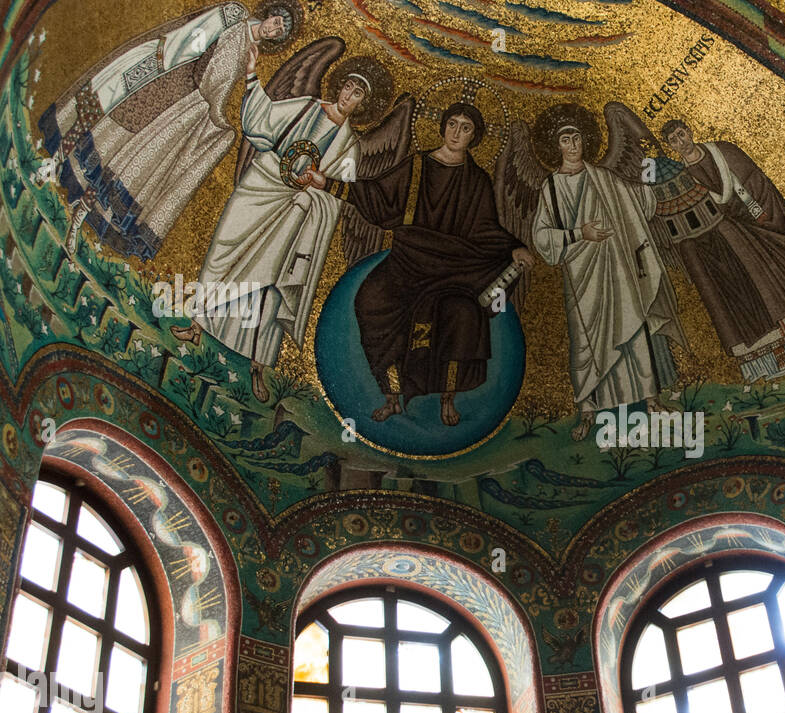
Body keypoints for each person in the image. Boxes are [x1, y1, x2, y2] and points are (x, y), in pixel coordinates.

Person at [307, 103, 534, 425]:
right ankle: (391, 396)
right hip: (407, 262)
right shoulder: (416, 166)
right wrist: (328, 184)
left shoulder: (477, 180)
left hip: (455, 270)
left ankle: (447, 399)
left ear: (475, 136)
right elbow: (377, 194)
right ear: (442, 127)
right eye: (452, 123)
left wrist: (514, 248)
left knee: (462, 314)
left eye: (465, 127)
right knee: (372, 300)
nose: (456, 132)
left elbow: (485, 230)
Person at [172, 52, 370, 402]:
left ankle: (257, 367)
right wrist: (251, 76)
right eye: (348, 86)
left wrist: (321, 185)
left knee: (269, 284)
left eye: (357, 94)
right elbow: (264, 121)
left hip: (296, 208)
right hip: (262, 183)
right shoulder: (307, 106)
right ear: (340, 85)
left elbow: (344, 195)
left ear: (363, 104)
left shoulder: (350, 146)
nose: (348, 95)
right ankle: (197, 326)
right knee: (222, 249)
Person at [39, 3, 291, 258]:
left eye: (279, 32)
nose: (274, 30)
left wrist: (234, 89)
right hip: (165, 76)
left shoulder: (251, 51)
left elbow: (219, 84)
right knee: (104, 112)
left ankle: (80, 214)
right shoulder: (235, 17)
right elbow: (196, 43)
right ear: (271, 15)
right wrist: (213, 105)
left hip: (181, 104)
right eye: (277, 23)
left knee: (124, 159)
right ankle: (55, 160)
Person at [529, 104, 682, 440]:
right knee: (585, 341)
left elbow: (638, 203)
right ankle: (587, 409)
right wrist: (579, 234)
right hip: (580, 272)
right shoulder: (550, 188)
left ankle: (650, 400)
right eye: (565, 139)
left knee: (633, 328)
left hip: (616, 265)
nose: (572, 144)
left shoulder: (604, 177)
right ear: (557, 146)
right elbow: (541, 237)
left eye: (577, 137)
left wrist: (653, 173)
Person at [659, 120, 785, 382]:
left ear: (690, 131)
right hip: (740, 240)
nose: (680, 142)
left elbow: (755, 180)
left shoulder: (723, 151)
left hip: (763, 221)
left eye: (681, 134)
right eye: (673, 140)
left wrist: (756, 211)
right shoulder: (683, 179)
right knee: (769, 290)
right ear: (670, 147)